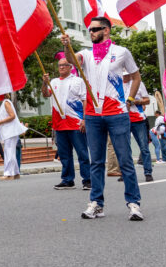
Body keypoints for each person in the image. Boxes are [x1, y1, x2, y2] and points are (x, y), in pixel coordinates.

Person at [62, 16, 144, 221]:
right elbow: (72, 60)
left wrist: (131, 98)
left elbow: (136, 76)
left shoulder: (121, 52)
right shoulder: (86, 55)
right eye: (89, 29)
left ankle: (133, 203)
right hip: (92, 115)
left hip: (116, 113)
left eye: (95, 29)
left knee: (125, 160)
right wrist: (66, 47)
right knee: (96, 162)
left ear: (106, 30)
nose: (91, 32)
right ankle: (96, 203)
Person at [44, 57, 90, 190]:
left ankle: (87, 180)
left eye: (64, 65)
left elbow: (84, 100)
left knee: (82, 153)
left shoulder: (78, 81)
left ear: (71, 67)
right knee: (64, 155)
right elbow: (46, 94)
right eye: (59, 65)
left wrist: (84, 119)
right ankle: (68, 180)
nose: (61, 67)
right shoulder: (53, 81)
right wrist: (44, 83)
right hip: (59, 123)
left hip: (75, 122)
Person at [0, 94, 27, 179]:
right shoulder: (5, 103)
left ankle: (8, 174)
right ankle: (16, 173)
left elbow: (12, 116)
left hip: (10, 131)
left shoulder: (6, 102)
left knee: (8, 152)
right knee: (10, 152)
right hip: (9, 131)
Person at [128, 81, 154, 182]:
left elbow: (147, 100)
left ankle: (148, 172)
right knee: (124, 149)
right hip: (123, 119)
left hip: (138, 120)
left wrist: (137, 102)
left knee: (144, 147)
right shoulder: (117, 82)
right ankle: (126, 173)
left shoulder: (138, 83)